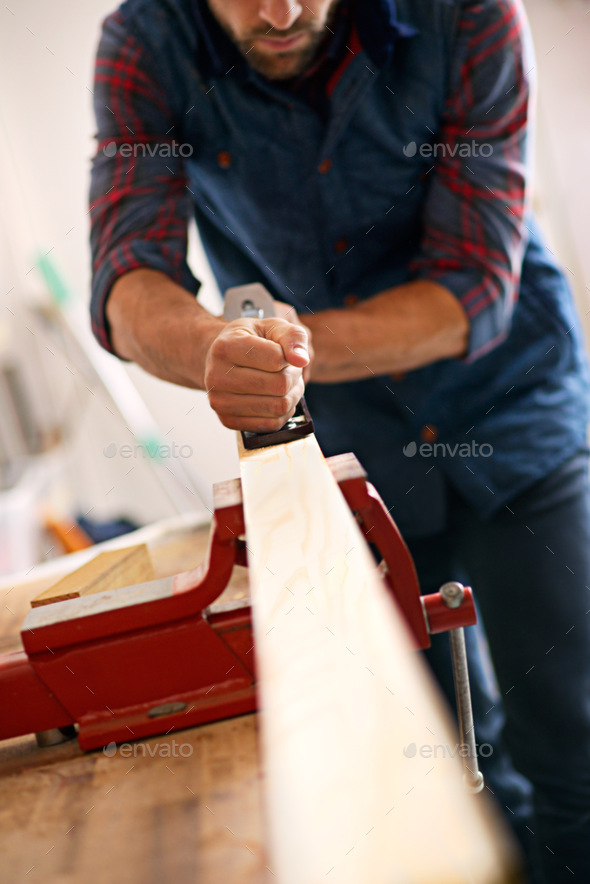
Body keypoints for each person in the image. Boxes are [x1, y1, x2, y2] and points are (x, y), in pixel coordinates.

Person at [89, 0, 590, 880]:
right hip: (357, 452)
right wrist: (215, 350)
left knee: (577, 754)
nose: (279, 12)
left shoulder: (470, 14)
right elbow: (129, 276)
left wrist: (296, 351)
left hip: (514, 412)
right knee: (433, 766)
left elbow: (472, 289)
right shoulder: (146, 42)